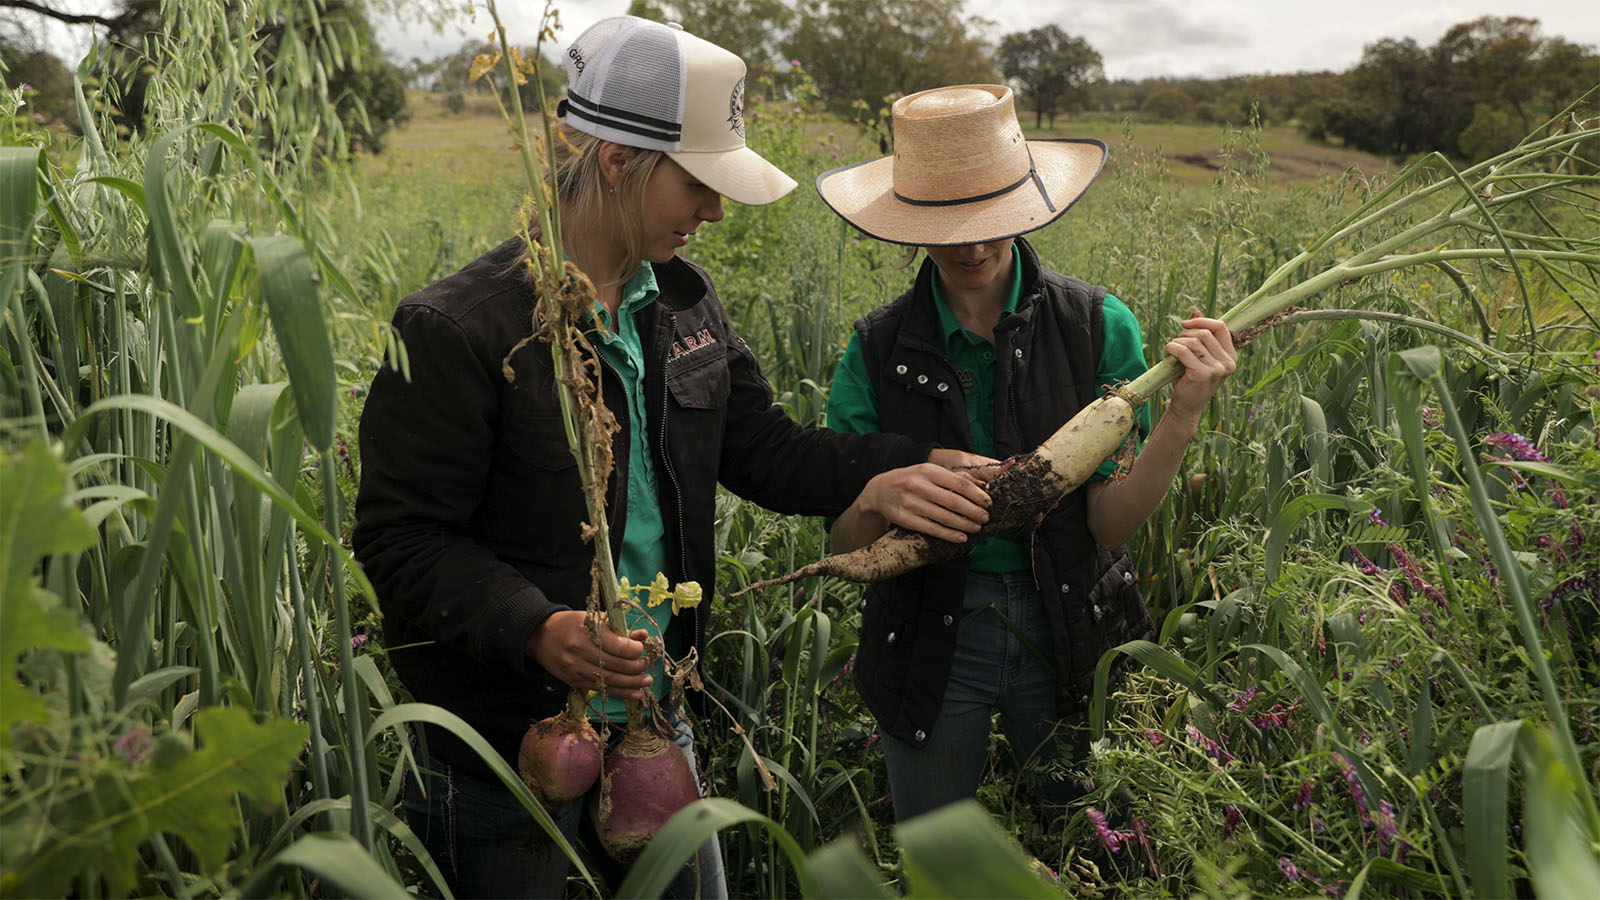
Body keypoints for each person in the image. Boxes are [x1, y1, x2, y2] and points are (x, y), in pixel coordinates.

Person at [351, 17, 993, 900]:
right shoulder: (463, 329)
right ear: (619, 162)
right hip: (509, 740)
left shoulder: (685, 302)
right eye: (699, 185)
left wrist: (880, 473)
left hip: (658, 719)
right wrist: (539, 627)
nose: (716, 212)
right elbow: (403, 540)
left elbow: (762, 447)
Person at [815, 84, 1237, 824]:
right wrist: (878, 497)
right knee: (938, 851)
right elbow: (844, 540)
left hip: (1071, 620)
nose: (975, 246)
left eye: (993, 220)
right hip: (929, 633)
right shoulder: (876, 351)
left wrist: (1184, 412)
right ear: (912, 223)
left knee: (1087, 838)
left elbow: (1107, 527)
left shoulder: (1095, 326)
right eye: (949, 225)